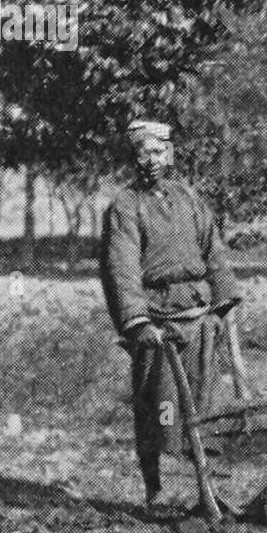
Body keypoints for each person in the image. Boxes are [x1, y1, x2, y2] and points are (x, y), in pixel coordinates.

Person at [100, 119, 240, 510]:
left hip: (199, 318)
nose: (151, 160)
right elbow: (121, 267)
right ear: (133, 157)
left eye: (158, 152)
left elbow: (214, 252)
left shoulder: (189, 199)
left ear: (171, 155)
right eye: (143, 152)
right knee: (156, 408)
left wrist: (223, 303)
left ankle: (204, 491)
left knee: (201, 408)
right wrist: (138, 322)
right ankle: (154, 487)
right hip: (157, 324)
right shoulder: (124, 208)